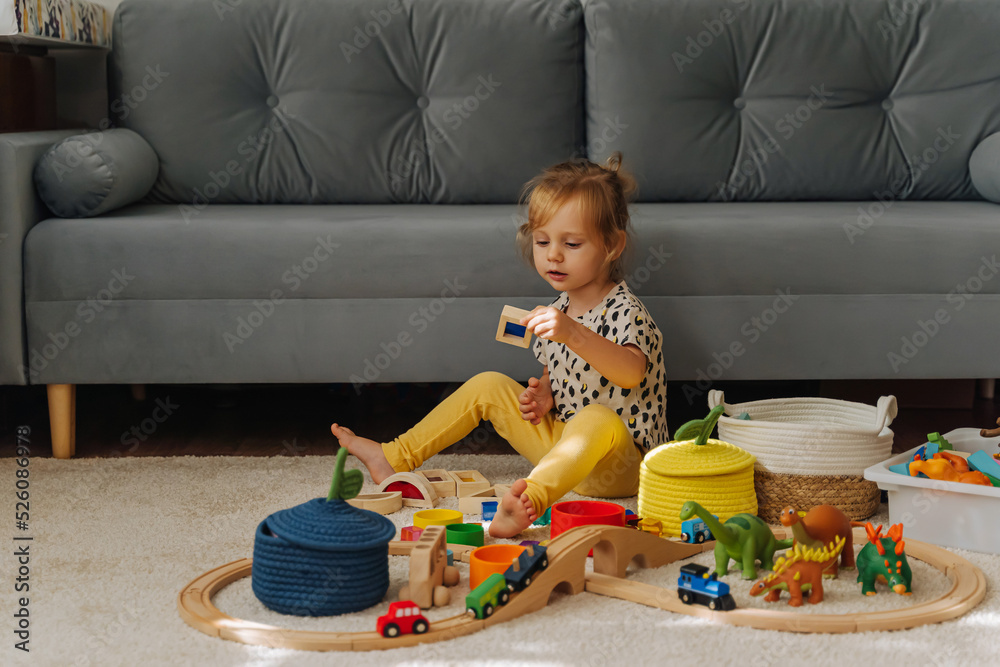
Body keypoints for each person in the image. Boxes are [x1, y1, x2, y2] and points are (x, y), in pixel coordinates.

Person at [332, 151, 668, 537]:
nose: (553, 255)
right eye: (542, 242)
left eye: (571, 244)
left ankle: (531, 499)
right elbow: (556, 373)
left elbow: (630, 373)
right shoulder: (558, 309)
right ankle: (393, 455)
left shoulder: (627, 311)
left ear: (612, 245)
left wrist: (572, 332)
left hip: (620, 466)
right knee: (489, 383)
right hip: (566, 453)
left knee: (598, 418)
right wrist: (544, 396)